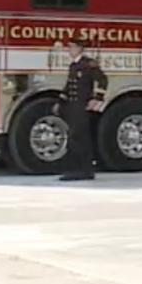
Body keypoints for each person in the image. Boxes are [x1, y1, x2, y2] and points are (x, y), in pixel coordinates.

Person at [54, 38, 108, 181]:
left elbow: (102, 79)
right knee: (73, 137)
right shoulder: (74, 65)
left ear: (79, 49)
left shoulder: (88, 64)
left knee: (81, 138)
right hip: (73, 106)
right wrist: (61, 101)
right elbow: (69, 85)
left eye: (72, 47)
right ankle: (74, 168)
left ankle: (85, 169)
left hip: (82, 105)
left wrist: (97, 98)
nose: (70, 50)